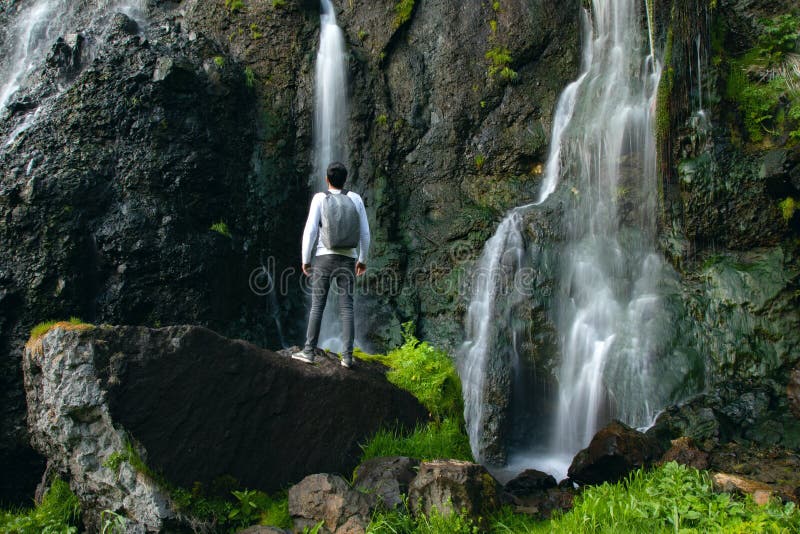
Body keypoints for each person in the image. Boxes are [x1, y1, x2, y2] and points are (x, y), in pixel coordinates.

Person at [292, 162, 370, 368]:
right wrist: (362, 259)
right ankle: (347, 357)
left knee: (317, 306)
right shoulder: (355, 198)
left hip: (324, 258)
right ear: (346, 179)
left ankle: (308, 352)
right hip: (348, 259)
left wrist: (305, 260)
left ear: (327, 179)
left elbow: (310, 231)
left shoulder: (320, 198)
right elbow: (365, 233)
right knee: (347, 308)